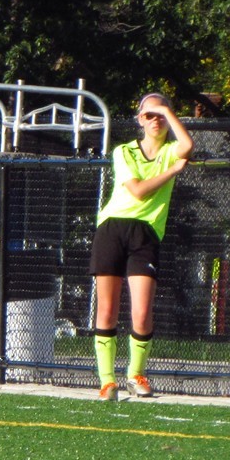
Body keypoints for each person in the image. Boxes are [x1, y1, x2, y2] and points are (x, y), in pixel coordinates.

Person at [88, 93, 193, 400]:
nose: (155, 120)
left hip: (145, 235)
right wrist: (174, 171)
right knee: (106, 310)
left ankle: (136, 373)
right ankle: (107, 381)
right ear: (139, 120)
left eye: (161, 114)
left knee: (142, 312)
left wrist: (165, 111)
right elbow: (137, 192)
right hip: (113, 228)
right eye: (149, 115)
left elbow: (187, 146)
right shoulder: (124, 151)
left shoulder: (172, 149)